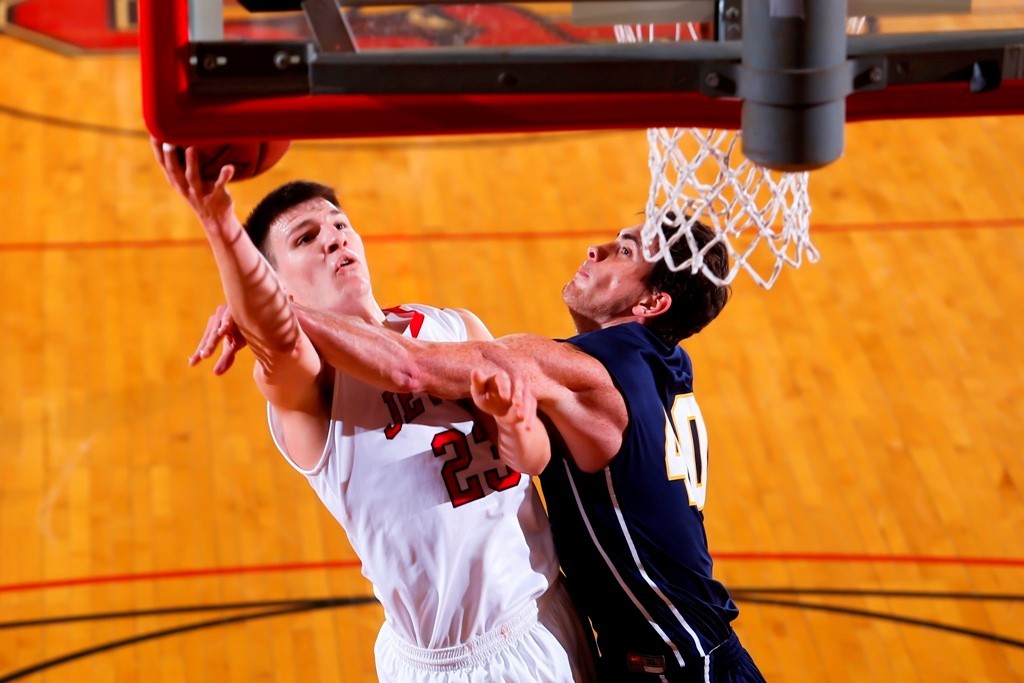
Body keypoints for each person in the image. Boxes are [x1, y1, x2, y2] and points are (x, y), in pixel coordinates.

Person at [201, 216, 768, 682]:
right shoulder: (663, 362)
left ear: (652, 304)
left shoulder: (596, 371)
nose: (595, 248)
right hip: (658, 651)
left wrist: (275, 309)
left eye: (622, 251)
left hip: (680, 664)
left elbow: (413, 365)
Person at [151, 139, 597, 683]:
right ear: (277, 282)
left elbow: (530, 461)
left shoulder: (452, 327)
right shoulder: (311, 388)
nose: (333, 240)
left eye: (340, 226)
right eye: (306, 238)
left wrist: (515, 419)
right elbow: (276, 336)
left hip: (543, 619)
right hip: (452, 663)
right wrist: (218, 220)